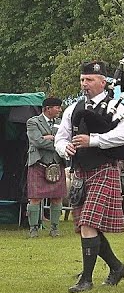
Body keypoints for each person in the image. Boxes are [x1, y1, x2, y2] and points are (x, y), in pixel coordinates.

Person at [55, 61, 124, 293]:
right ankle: (117, 267)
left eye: (89, 80)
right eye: (82, 79)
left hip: (104, 169)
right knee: (86, 226)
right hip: (80, 172)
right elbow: (61, 137)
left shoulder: (116, 107)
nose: (84, 84)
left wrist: (93, 141)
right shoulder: (73, 108)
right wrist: (64, 148)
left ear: (103, 82)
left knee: (88, 223)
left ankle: (86, 280)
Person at [26, 97, 67, 238]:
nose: (60, 110)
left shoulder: (61, 123)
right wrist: (56, 142)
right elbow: (37, 141)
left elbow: (65, 139)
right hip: (39, 164)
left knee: (57, 198)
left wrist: (51, 138)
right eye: (57, 107)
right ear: (48, 108)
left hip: (56, 164)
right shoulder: (33, 122)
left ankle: (54, 228)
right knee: (35, 198)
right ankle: (33, 229)